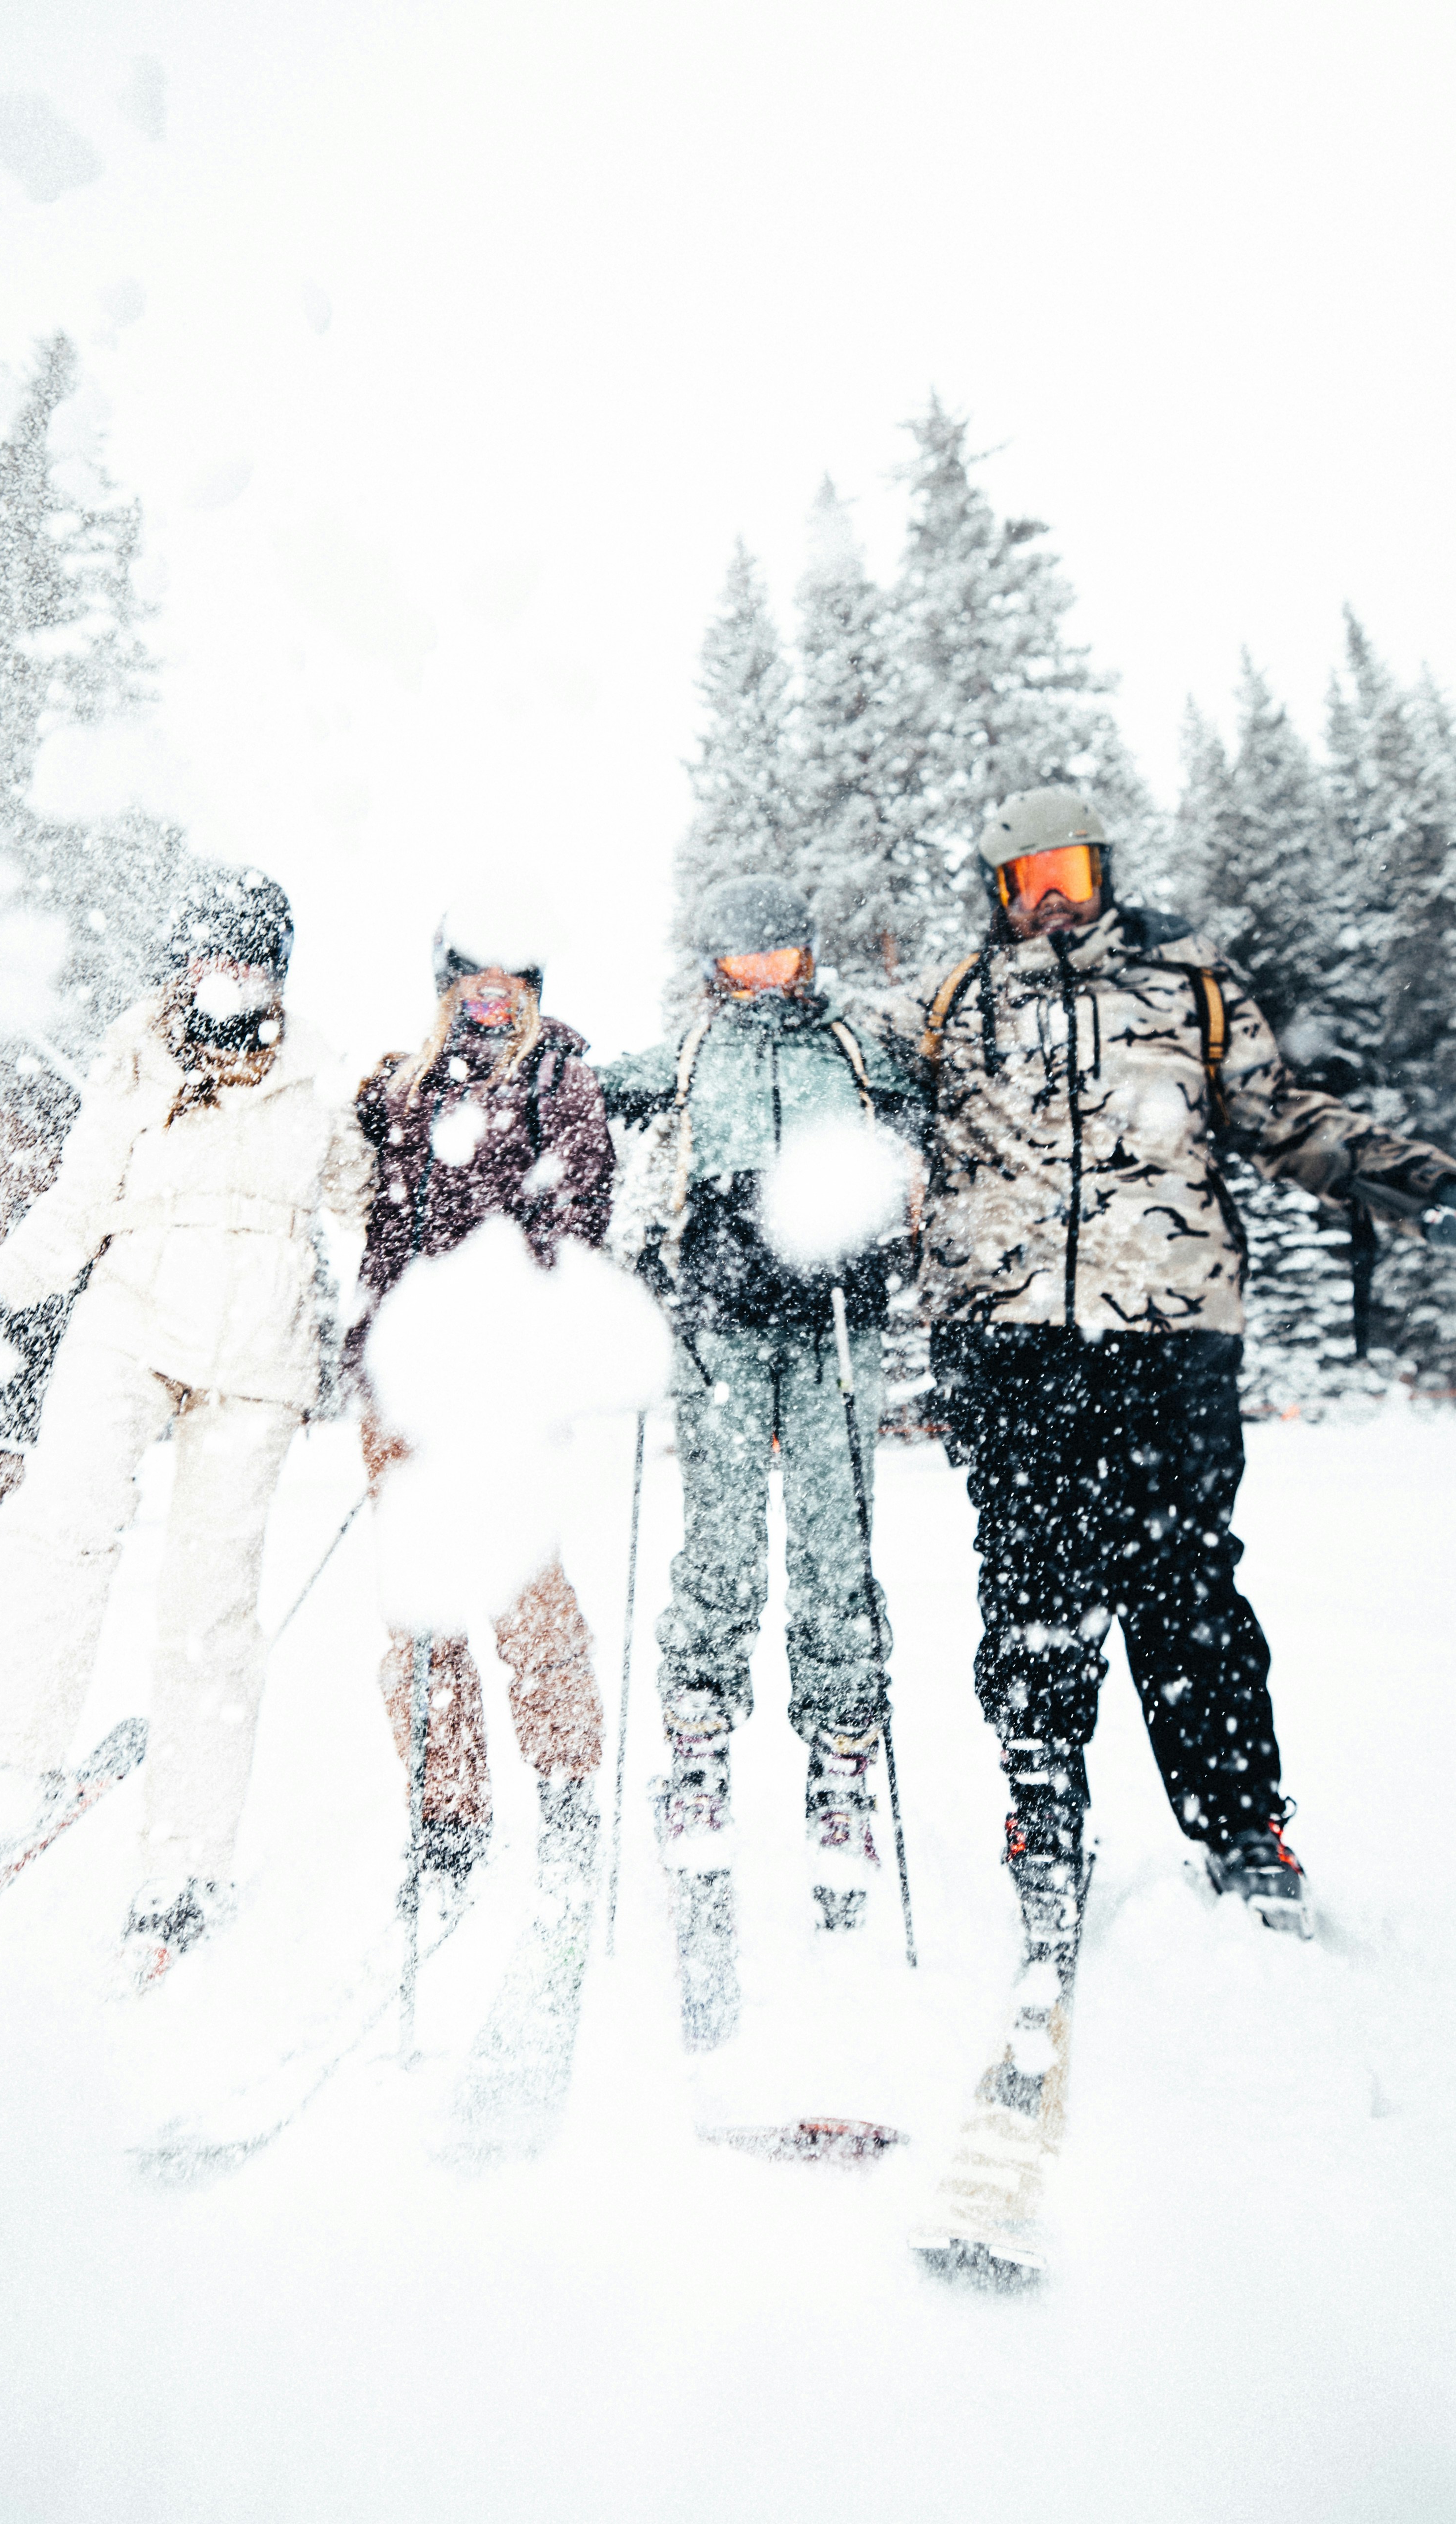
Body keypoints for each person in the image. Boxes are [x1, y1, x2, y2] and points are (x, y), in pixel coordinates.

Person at [881, 786, 1456, 1950]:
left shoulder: (1188, 986)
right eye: (1025, 879)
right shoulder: (951, 1002)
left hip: (1170, 1335)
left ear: (1104, 872)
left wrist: (1414, 1182)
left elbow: (1278, 1113)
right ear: (999, 892)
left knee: (1186, 1585)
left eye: (1070, 874)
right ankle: (1044, 1806)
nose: (1050, 898)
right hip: (1010, 1339)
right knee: (1033, 1582)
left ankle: (1242, 1825)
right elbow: (852, 1085)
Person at [0, 865, 347, 1989]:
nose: (225, 977)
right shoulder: (135, 1058)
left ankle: (187, 1859)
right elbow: (73, 1207)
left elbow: (377, 1199)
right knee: (58, 1525)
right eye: (208, 956)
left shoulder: (319, 1075)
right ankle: (2, 1766)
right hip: (132, 1316)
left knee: (210, 1605)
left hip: (257, 1355)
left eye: (246, 960)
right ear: (181, 962)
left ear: (276, 973)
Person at [600, 875, 922, 1929]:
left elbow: (943, 1106)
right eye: (741, 959)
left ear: (808, 956)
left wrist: (893, 1230)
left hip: (835, 1320)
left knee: (839, 1543)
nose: (762, 976)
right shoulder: (691, 1053)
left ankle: (842, 1762)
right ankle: (697, 1746)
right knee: (723, 1540)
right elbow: (592, 1091)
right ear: (714, 965)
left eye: (779, 957)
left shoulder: (859, 1048)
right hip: (725, 1327)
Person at [339, 905, 616, 1903]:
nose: (491, 994)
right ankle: (446, 1805)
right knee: (421, 1602)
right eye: (473, 978)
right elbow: (368, 1204)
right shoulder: (405, 1087)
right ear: (446, 985)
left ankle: (568, 1785)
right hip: (401, 1380)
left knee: (526, 1590)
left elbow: (577, 1213)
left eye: (511, 980)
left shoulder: (558, 1080)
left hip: (503, 1377)